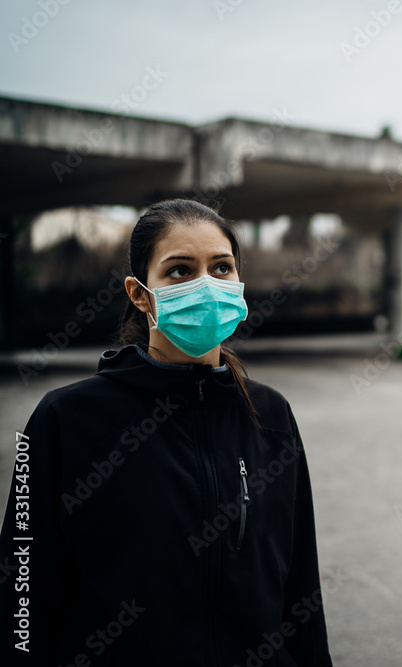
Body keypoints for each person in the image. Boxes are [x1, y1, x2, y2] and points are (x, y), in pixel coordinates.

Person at [0, 199, 335, 666]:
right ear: (140, 294)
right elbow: (22, 593)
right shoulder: (66, 420)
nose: (206, 285)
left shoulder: (271, 415)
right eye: (180, 271)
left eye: (221, 268)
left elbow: (301, 586)